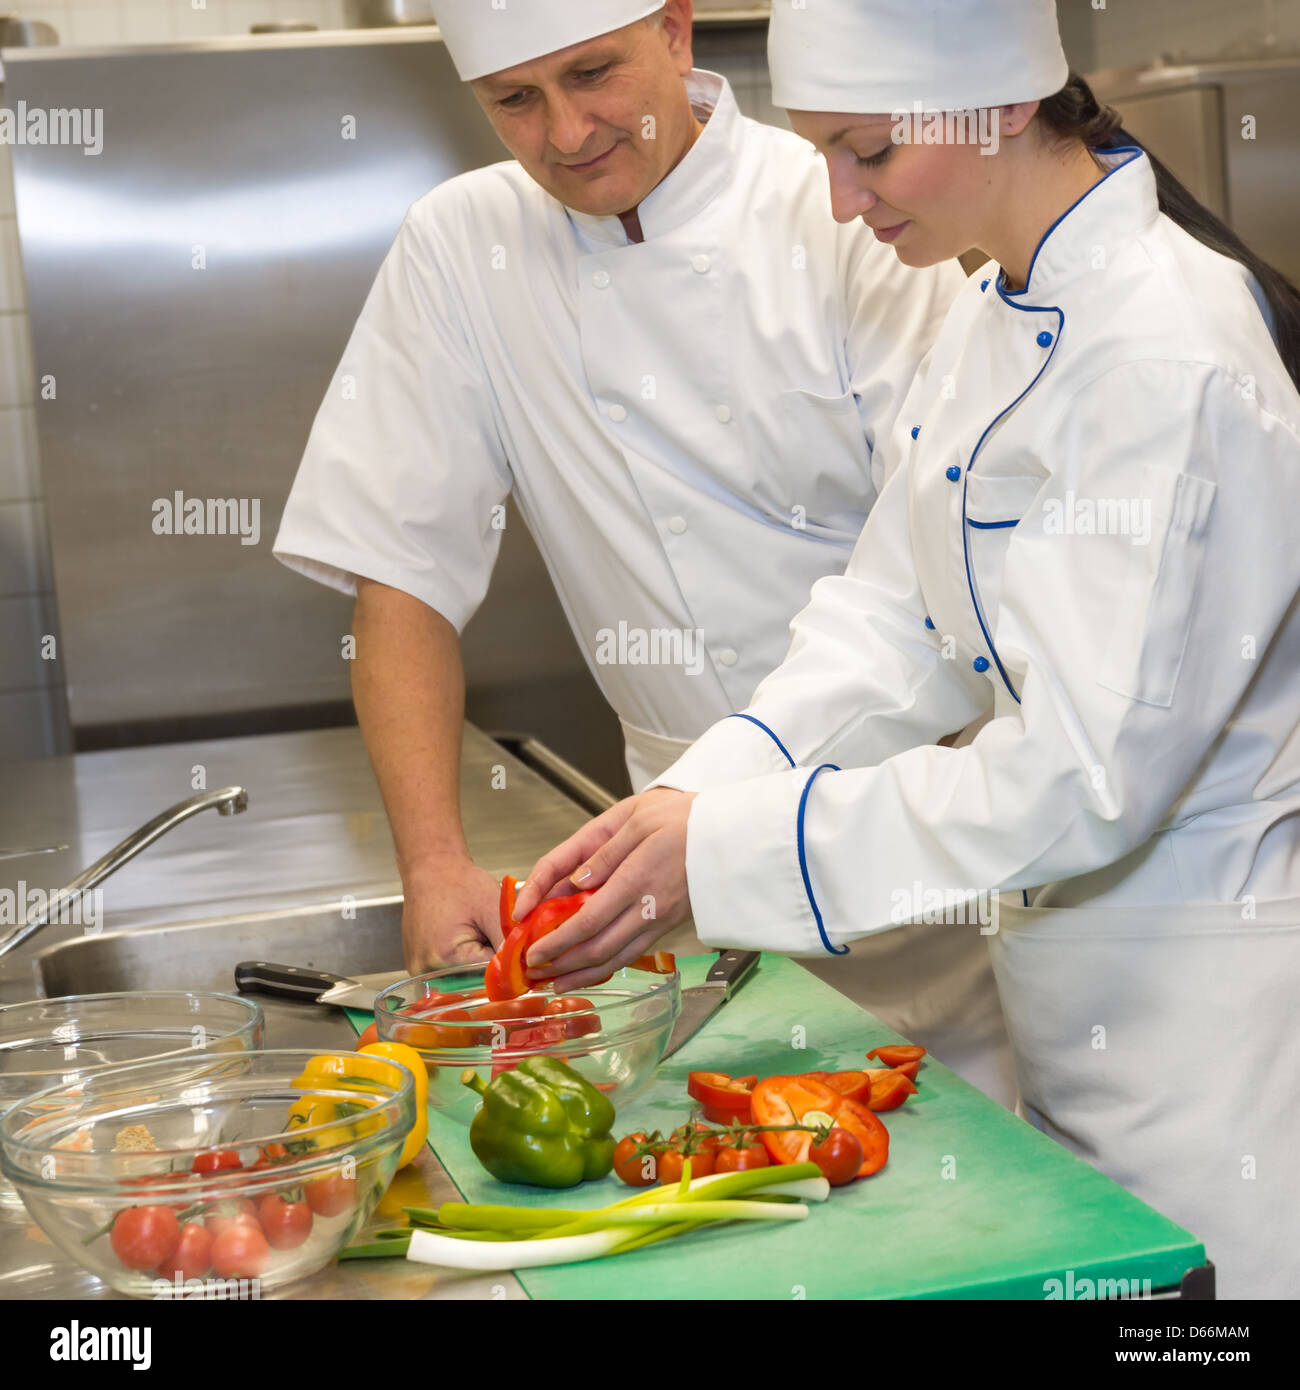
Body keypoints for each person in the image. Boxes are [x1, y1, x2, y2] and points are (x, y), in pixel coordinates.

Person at [515, 0, 1300, 1298]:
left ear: (992, 109)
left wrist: (729, 852)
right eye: (820, 150)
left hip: (1217, 1093)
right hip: (1073, 1050)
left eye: (866, 151)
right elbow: (895, 618)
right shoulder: (998, 305)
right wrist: (699, 794)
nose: (838, 203)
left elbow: (1076, 781)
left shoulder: (1173, 360)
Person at [272, 1, 1015, 1103]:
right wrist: (432, 864)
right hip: (663, 895)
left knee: (965, 1184)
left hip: (908, 848)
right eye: (515, 100)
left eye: (592, 74)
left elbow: (937, 570)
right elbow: (401, 576)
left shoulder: (846, 205)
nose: (566, 133)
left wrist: (767, 827)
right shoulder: (456, 245)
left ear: (674, 32)